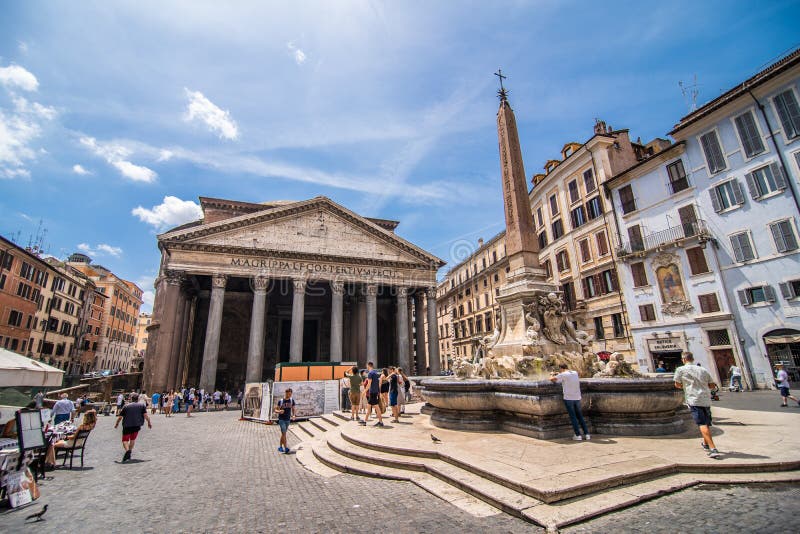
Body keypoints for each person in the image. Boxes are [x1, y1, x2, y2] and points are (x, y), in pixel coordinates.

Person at [674, 352, 721, 458]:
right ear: (692, 358)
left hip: (694, 399)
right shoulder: (703, 369)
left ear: (684, 359)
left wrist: (688, 386)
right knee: (707, 422)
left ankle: (713, 448)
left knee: (702, 424)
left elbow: (677, 384)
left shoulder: (680, 370)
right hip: (706, 399)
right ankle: (706, 444)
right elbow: (712, 385)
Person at [549, 364, 590, 441]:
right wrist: (559, 374)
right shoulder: (575, 372)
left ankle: (578, 435)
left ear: (561, 368)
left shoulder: (563, 374)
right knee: (580, 416)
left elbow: (551, 379)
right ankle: (587, 434)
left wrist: (552, 374)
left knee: (573, 417)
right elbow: (565, 378)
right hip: (577, 397)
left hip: (569, 398)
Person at [114, 394, 152, 462]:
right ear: (138, 399)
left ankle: (128, 451)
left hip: (127, 425)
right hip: (137, 425)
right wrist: (149, 422)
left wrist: (117, 424)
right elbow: (146, 416)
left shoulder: (126, 406)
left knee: (125, 440)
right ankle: (130, 451)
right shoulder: (141, 406)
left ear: (131, 399)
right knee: (132, 439)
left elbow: (120, 417)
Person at [360, 362, 384, 427]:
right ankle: (365, 421)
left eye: (366, 366)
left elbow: (369, 384)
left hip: (372, 392)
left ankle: (380, 422)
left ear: (368, 365)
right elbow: (377, 383)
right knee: (369, 407)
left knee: (376, 407)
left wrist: (364, 392)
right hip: (374, 392)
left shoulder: (370, 373)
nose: (366, 367)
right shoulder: (375, 373)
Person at [275, 388, 296, 454]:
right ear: (285, 393)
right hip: (281, 419)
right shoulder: (281, 401)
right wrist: (279, 411)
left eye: (290, 394)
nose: (289, 395)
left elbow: (293, 408)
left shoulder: (292, 400)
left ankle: (280, 447)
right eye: (288, 394)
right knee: (284, 433)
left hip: (288, 419)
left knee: (283, 433)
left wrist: (293, 415)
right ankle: (286, 447)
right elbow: (276, 410)